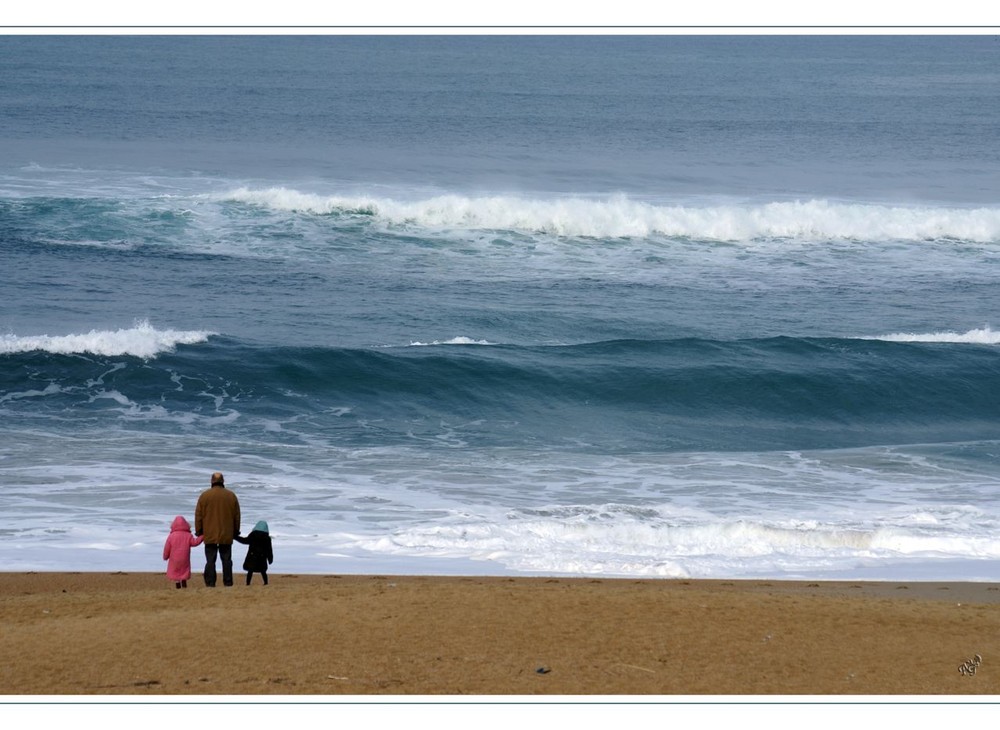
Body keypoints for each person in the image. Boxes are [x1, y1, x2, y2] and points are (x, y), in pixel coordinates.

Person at [194, 472, 241, 587]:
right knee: (226, 560)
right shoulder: (231, 496)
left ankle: (210, 583)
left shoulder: (204, 496)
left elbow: (198, 515)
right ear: (223, 481)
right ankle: (228, 582)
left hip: (209, 533)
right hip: (226, 533)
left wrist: (199, 531)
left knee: (210, 560)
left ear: (211, 481)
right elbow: (237, 516)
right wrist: (235, 531)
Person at [162, 515, 204, 589]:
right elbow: (195, 542)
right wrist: (202, 536)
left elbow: (167, 548)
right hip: (184, 558)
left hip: (174, 559)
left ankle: (178, 586)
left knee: (176, 573)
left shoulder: (171, 536)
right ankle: (184, 585)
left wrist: (165, 556)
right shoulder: (188, 535)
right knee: (184, 571)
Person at [234, 520, 274, 585]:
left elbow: (245, 541)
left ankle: (248, 583)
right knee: (263, 571)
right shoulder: (267, 538)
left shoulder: (253, 535)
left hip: (252, 555)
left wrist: (235, 537)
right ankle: (266, 583)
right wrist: (270, 559)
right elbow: (269, 549)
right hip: (262, 556)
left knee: (250, 571)